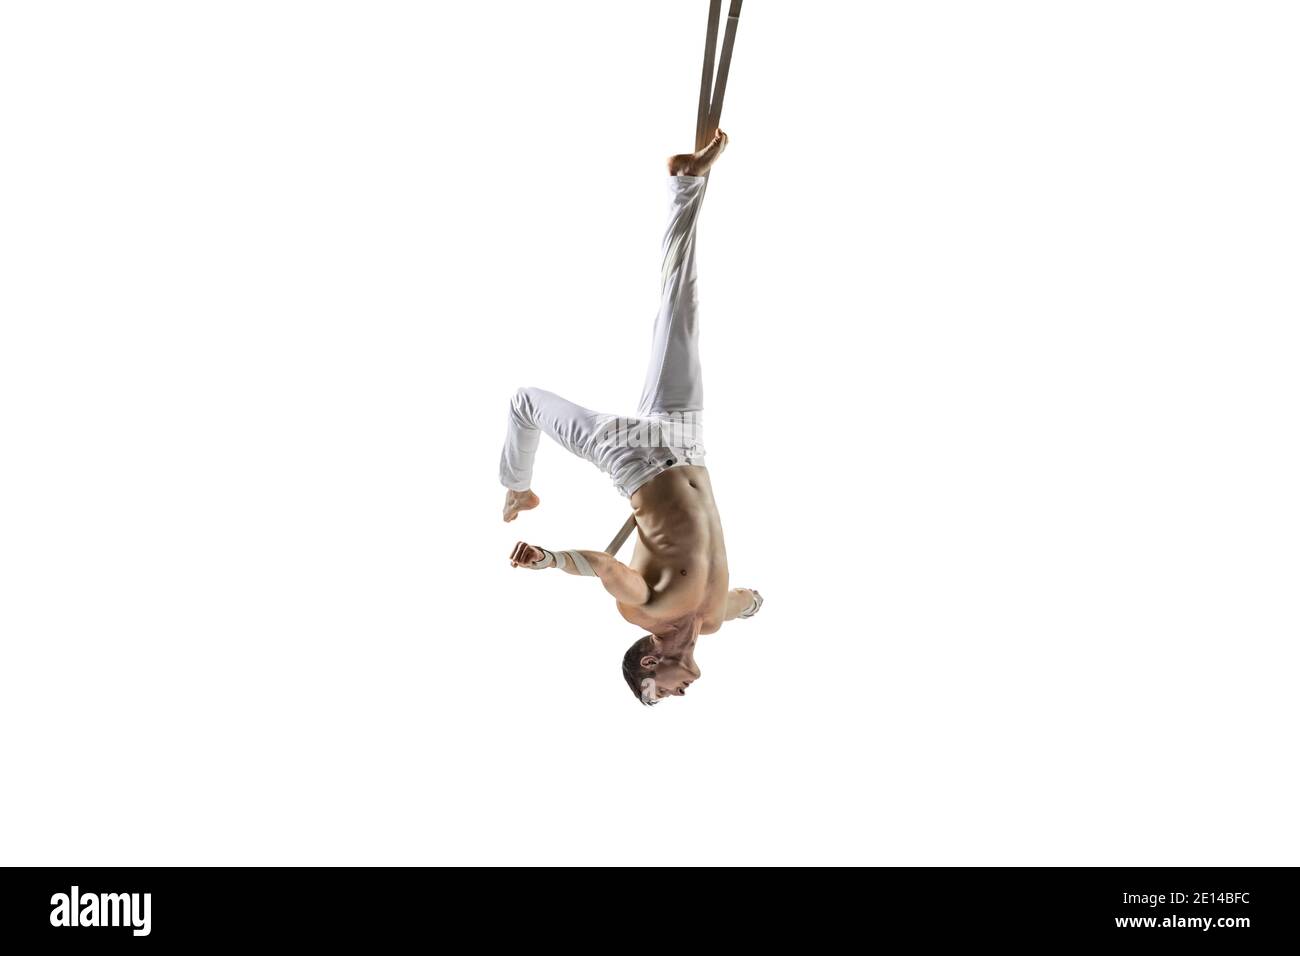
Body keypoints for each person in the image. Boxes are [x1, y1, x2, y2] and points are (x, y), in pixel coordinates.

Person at [498, 130, 762, 705]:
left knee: (525, 400)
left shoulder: (641, 610)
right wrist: (754, 605)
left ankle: (516, 489)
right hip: (688, 442)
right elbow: (748, 600)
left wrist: (548, 560)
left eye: (659, 693)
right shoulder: (714, 619)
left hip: (634, 459)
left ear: (647, 662)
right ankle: (685, 181)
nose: (679, 693)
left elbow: (600, 564)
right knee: (681, 310)